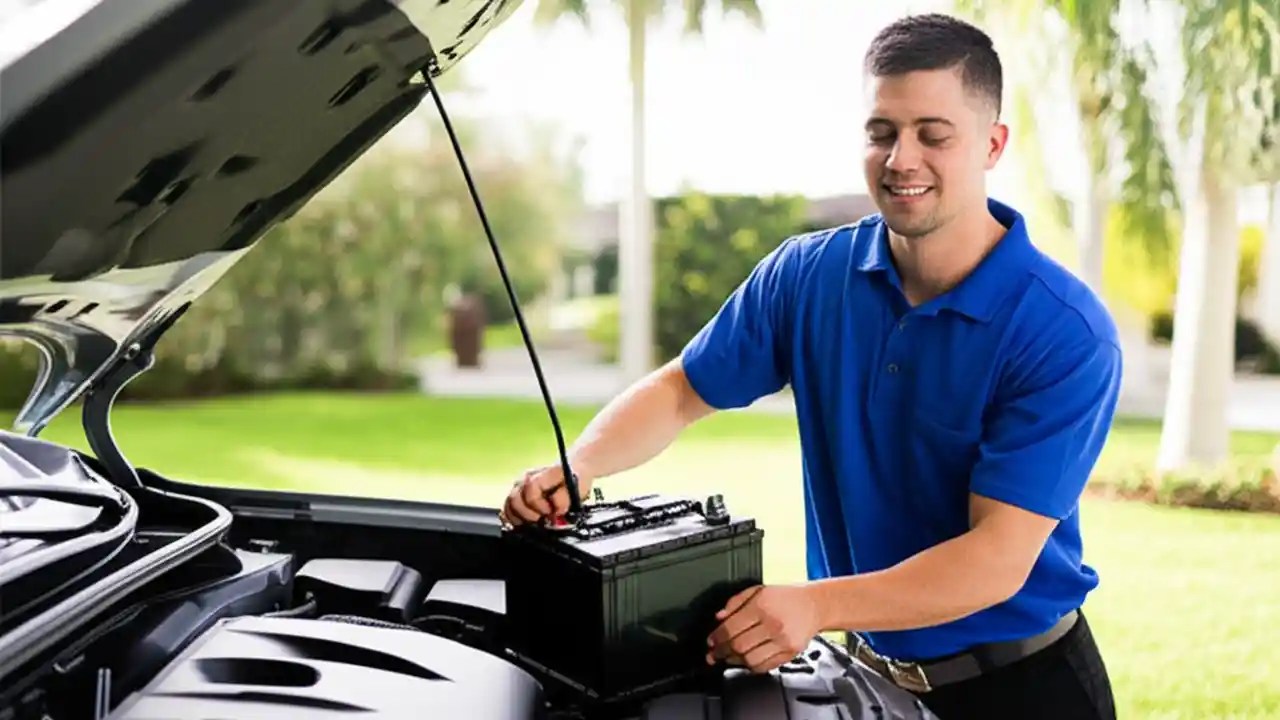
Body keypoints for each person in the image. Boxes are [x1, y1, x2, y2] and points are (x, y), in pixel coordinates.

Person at [501, 12, 1120, 720]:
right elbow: (679, 391)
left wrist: (815, 604)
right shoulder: (807, 277)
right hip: (860, 681)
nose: (901, 159)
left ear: (992, 144)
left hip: (1020, 690)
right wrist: (580, 467)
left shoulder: (1063, 333)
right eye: (881, 131)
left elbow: (996, 558)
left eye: (933, 134)